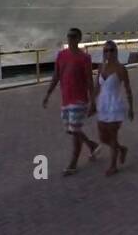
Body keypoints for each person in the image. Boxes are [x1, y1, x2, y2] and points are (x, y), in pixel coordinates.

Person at [43, 28, 100, 176]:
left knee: (74, 132)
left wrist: (93, 102)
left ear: (79, 39)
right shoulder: (61, 55)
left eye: (73, 36)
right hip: (66, 98)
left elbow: (89, 81)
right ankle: (92, 145)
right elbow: (56, 76)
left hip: (79, 99)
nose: (70, 38)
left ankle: (73, 164)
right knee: (71, 129)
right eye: (68, 36)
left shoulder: (84, 58)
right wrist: (48, 94)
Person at [93, 40, 134, 177]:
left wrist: (131, 108)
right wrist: (92, 103)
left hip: (115, 105)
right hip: (102, 105)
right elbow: (97, 87)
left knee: (112, 136)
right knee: (103, 137)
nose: (108, 53)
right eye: (106, 50)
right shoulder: (100, 67)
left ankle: (113, 166)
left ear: (116, 52)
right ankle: (122, 149)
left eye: (111, 50)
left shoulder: (121, 69)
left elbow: (128, 89)